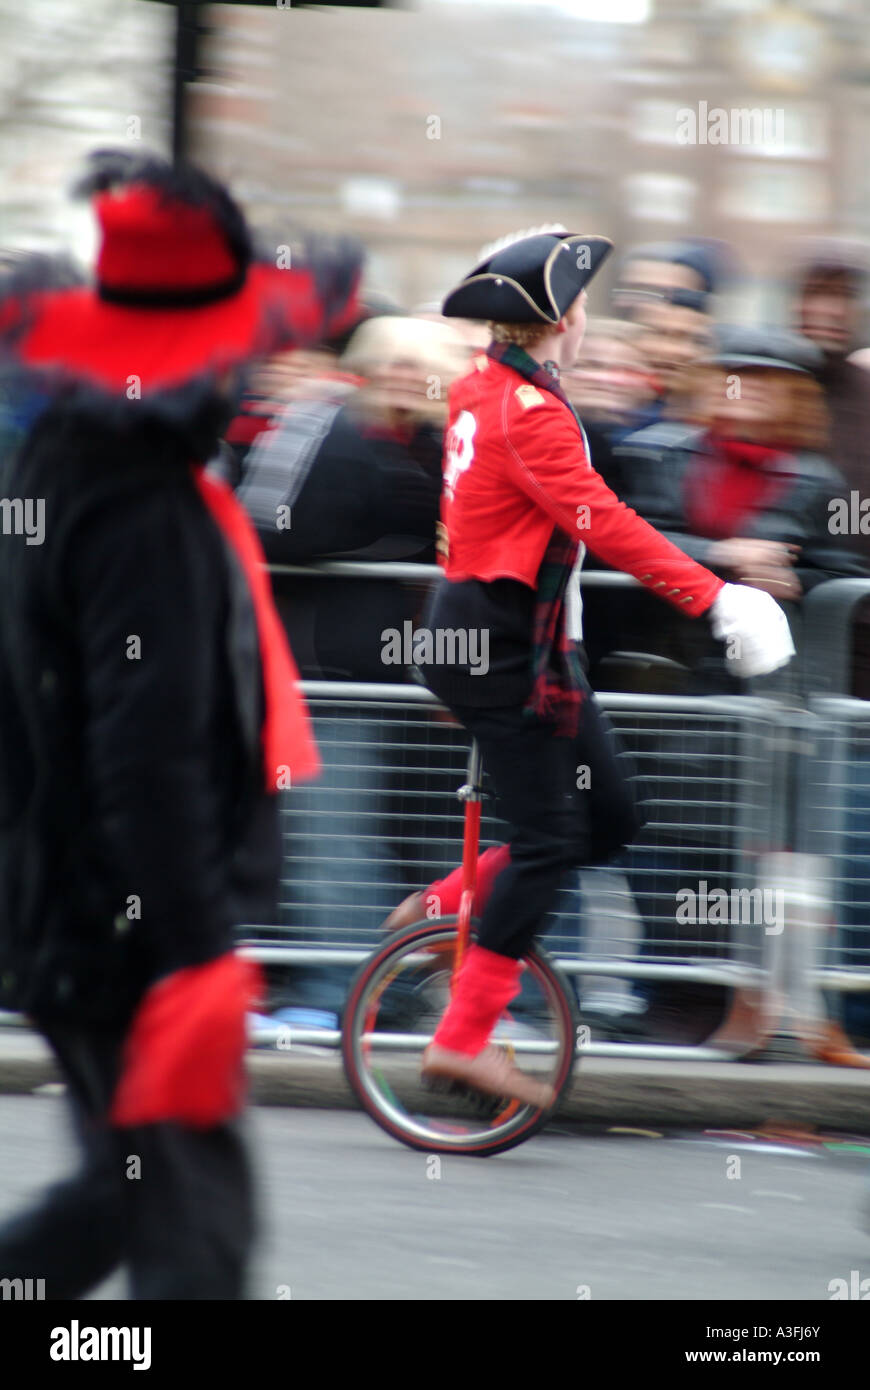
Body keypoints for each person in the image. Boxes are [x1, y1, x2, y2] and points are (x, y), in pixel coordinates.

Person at [0, 148, 334, 1298]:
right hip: (125, 929)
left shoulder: (69, 452)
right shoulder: (143, 501)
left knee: (116, 1200)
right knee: (195, 1233)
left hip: (74, 903)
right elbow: (142, 744)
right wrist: (190, 947)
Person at [413, 228, 795, 1108]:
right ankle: (462, 1037)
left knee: (613, 817)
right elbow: (604, 522)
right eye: (582, 308)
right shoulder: (529, 411)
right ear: (560, 320)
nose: (589, 323)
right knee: (550, 843)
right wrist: (718, 598)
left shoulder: (486, 388)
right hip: (503, 645)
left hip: (532, 640)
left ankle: (443, 911)